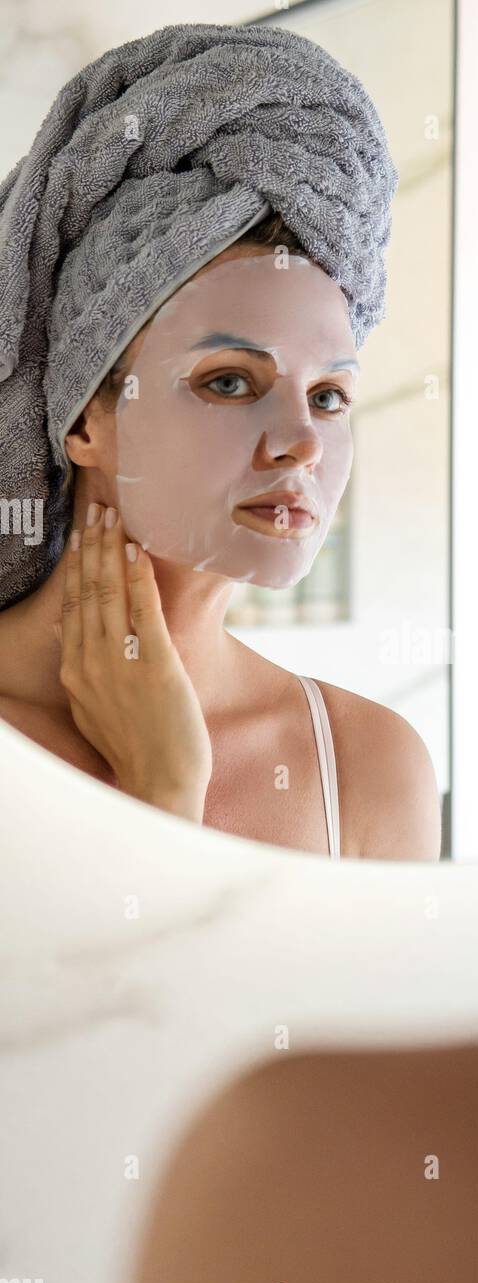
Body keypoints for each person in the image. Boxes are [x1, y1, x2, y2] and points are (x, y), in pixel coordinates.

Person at [0, 25, 441, 863]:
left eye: (329, 396)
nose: (302, 444)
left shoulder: (371, 768)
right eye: (230, 381)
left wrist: (165, 785)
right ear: (86, 418)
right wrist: (163, 793)